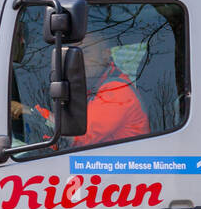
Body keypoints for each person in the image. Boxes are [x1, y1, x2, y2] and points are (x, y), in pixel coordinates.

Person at [11, 31, 150, 148]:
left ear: (105, 55)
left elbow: (75, 137)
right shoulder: (91, 89)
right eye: (74, 54)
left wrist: (29, 112)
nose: (77, 59)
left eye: (86, 51)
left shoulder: (117, 92)